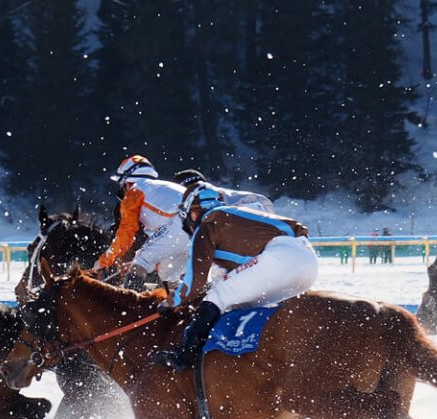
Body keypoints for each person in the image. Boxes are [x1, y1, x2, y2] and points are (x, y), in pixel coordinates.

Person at [151, 184, 319, 370]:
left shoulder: (207, 222)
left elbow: (195, 281)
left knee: (218, 295)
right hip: (308, 260)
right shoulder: (236, 215)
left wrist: (171, 302)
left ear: (194, 214)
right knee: (239, 304)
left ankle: (184, 356)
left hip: (279, 258)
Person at [93, 155, 191, 286]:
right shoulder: (162, 189)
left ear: (127, 183)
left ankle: (131, 305)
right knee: (167, 271)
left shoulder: (135, 191)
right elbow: (161, 240)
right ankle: (182, 301)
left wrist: (104, 261)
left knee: (142, 261)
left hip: (181, 224)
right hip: (201, 226)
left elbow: (126, 234)